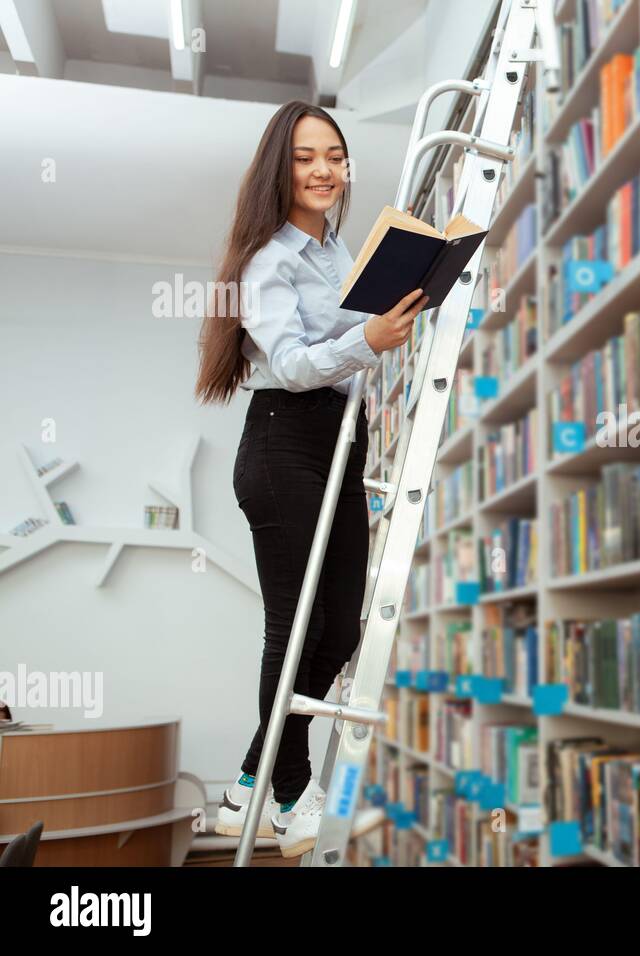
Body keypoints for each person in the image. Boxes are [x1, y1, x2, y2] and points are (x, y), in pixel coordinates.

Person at [195, 101, 427, 858]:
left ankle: (247, 784)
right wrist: (368, 336)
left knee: (344, 628)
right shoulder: (270, 259)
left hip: (340, 444)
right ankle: (290, 790)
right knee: (294, 630)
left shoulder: (341, 252)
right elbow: (293, 366)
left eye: (335, 154)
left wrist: (386, 324)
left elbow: (350, 350)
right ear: (279, 168)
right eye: (305, 157)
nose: (324, 169)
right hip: (282, 441)